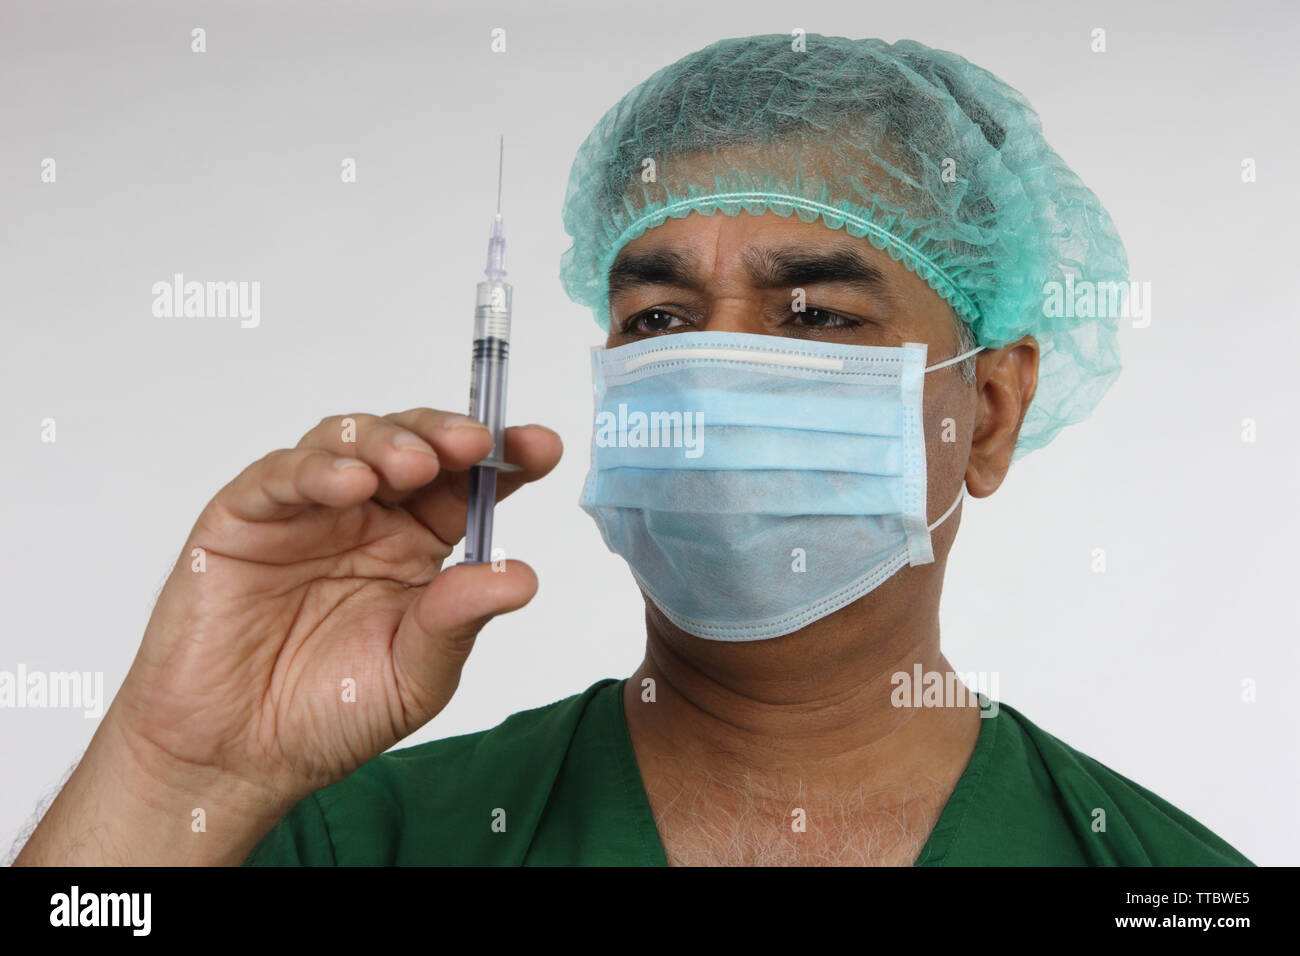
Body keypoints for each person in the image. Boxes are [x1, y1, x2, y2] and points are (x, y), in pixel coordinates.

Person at [14, 34, 1251, 867]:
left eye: (814, 316)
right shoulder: (365, 837)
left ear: (985, 408)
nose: (708, 375)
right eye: (657, 319)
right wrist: (177, 760)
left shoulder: (1156, 874)